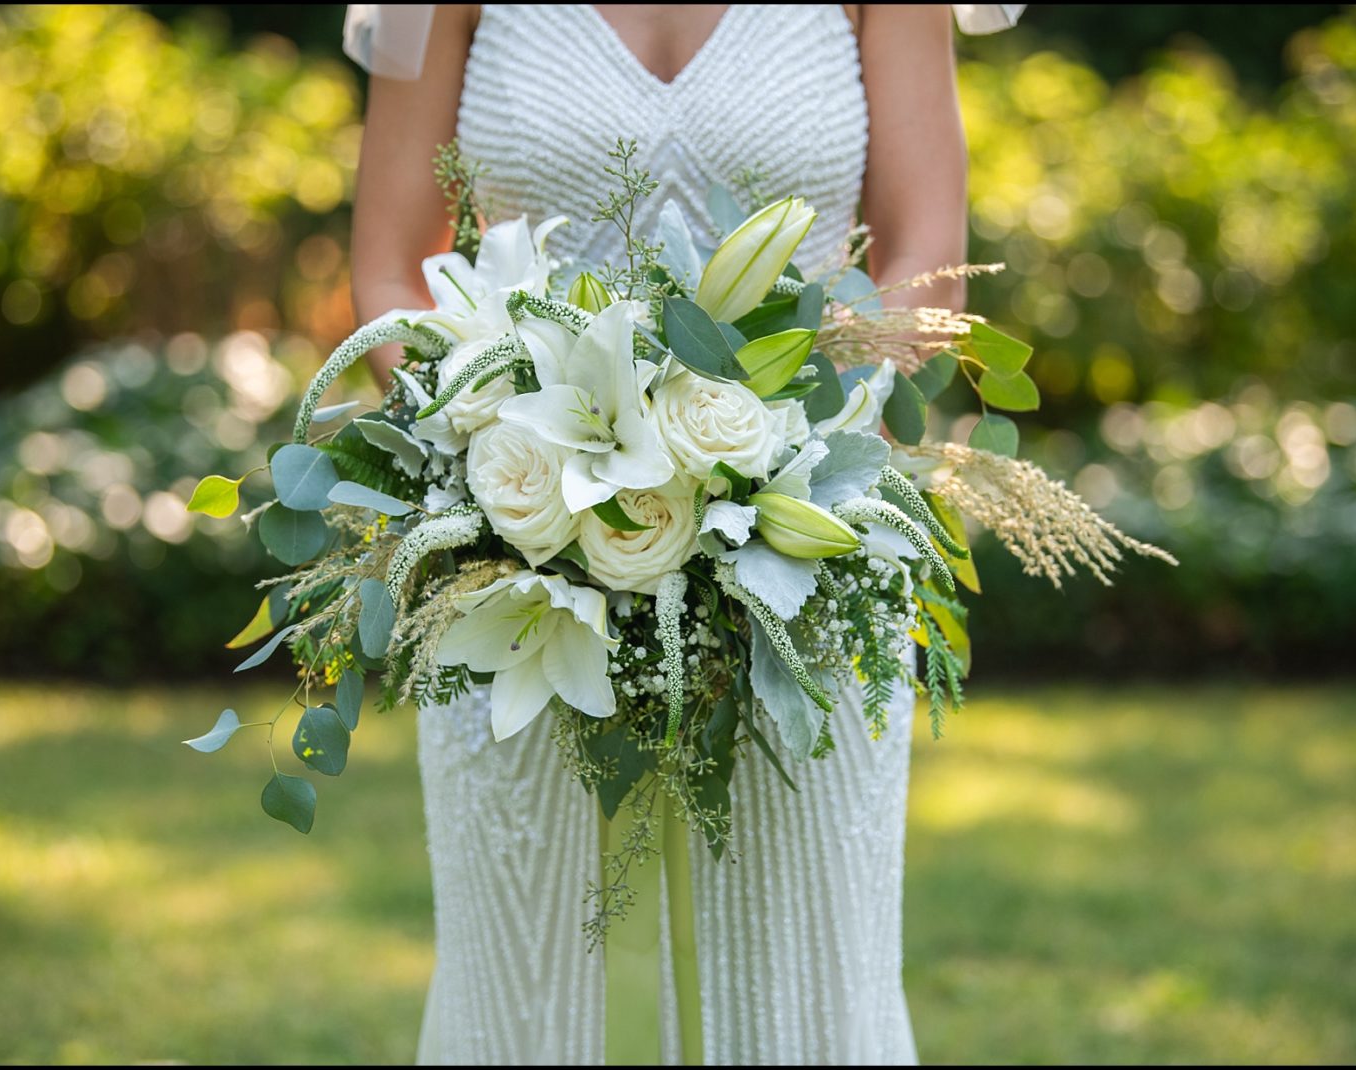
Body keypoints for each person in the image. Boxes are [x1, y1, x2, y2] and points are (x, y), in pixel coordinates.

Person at [342, 5, 1022, 1063]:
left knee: (803, 983)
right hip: (518, 560)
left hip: (804, 553)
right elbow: (391, 265)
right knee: (515, 976)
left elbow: (924, 258)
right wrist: (484, 449)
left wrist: (793, 456)